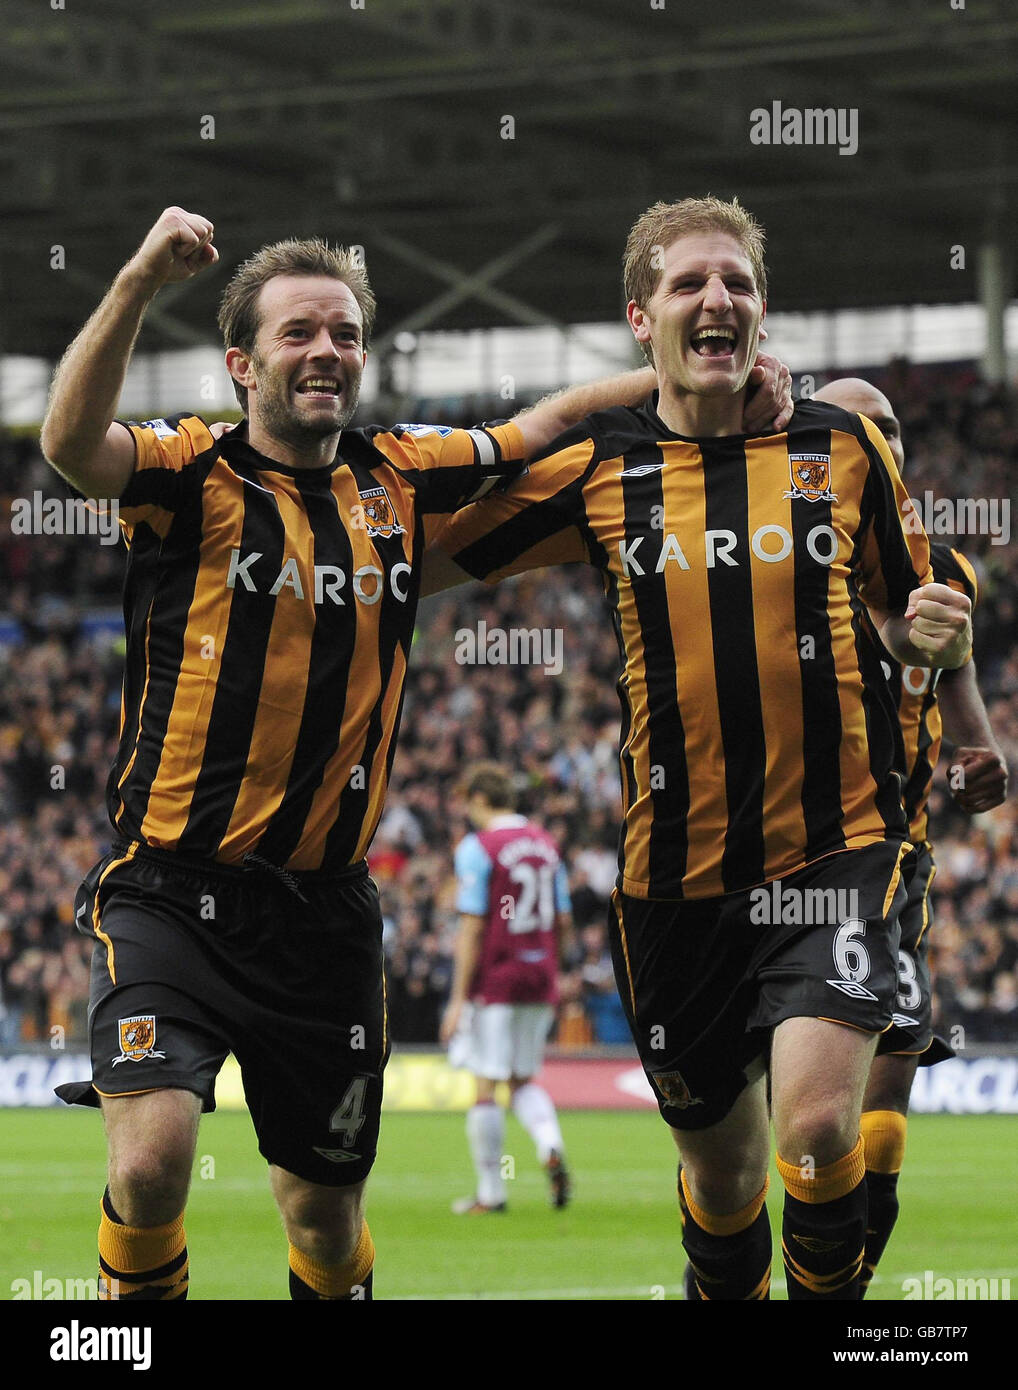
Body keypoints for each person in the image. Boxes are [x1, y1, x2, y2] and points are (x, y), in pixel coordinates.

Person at [39, 205, 792, 1302]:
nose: (327, 352)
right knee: (152, 1163)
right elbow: (68, 447)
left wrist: (693, 388)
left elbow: (535, 429)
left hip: (322, 920)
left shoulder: (397, 478)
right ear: (242, 361)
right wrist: (138, 280)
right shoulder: (187, 470)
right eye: (299, 334)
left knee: (327, 1218)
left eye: (344, 333)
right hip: (169, 895)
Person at [425, 195, 974, 1300]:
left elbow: (910, 606)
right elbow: (425, 553)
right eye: (688, 285)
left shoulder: (844, 447)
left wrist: (935, 661)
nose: (715, 298)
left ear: (763, 314)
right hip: (670, 884)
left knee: (817, 1129)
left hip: (837, 851)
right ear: (641, 317)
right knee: (724, 1186)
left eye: (736, 283)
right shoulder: (601, 469)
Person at [813, 378, 1009, 1296]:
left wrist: (982, 756)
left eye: (889, 428)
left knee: (884, 1085)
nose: (877, 439)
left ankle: (849, 1277)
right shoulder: (785, 552)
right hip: (773, 849)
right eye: (856, 427)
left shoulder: (947, 570)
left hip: (892, 852)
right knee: (763, 1126)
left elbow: (957, 688)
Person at [440, 762, 572, 1213]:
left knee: (485, 1085)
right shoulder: (546, 844)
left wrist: (458, 999)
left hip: (496, 979)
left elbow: (473, 927)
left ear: (479, 798)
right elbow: (564, 918)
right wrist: (558, 966)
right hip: (539, 974)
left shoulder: (479, 847)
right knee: (521, 1079)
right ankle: (549, 1143)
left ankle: (491, 1193)